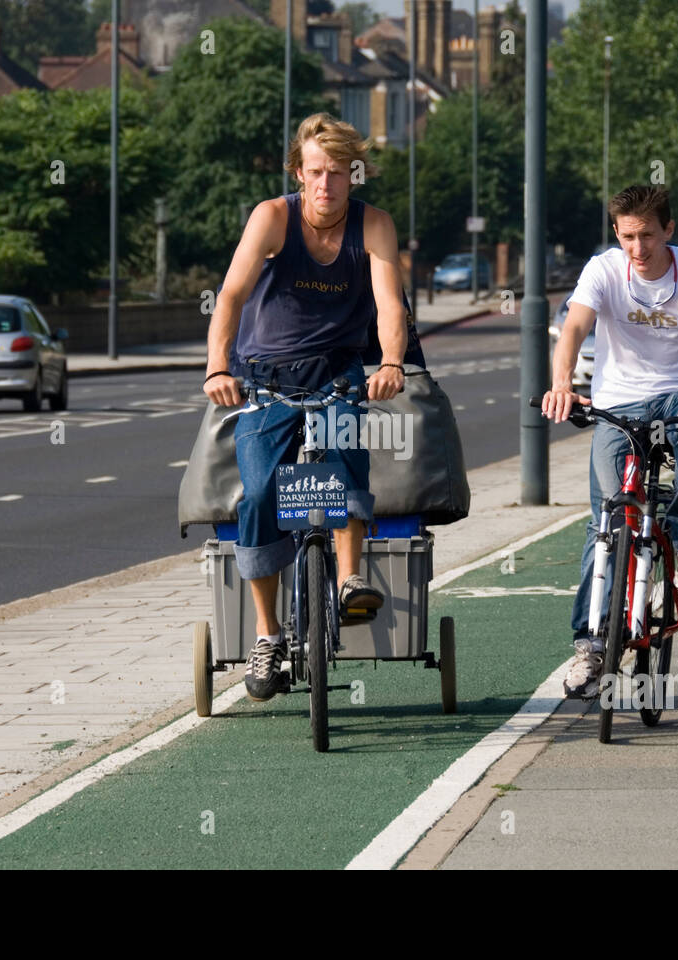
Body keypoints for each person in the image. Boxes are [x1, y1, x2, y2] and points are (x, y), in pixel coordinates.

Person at [203, 113, 407, 702]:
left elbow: (389, 303)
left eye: (338, 174)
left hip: (338, 374)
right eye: (315, 172)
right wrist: (219, 368)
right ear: (299, 173)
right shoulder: (271, 217)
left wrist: (390, 362)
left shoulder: (375, 227)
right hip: (265, 378)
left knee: (345, 464)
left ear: (353, 176)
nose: (326, 185)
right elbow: (232, 296)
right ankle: (267, 636)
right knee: (261, 494)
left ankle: (349, 579)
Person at [541, 184, 678, 699]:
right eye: (627, 236)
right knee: (606, 518)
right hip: (620, 400)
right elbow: (574, 330)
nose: (637, 247)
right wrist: (562, 385)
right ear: (616, 233)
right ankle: (589, 647)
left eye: (647, 235)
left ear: (669, 230)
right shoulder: (603, 270)